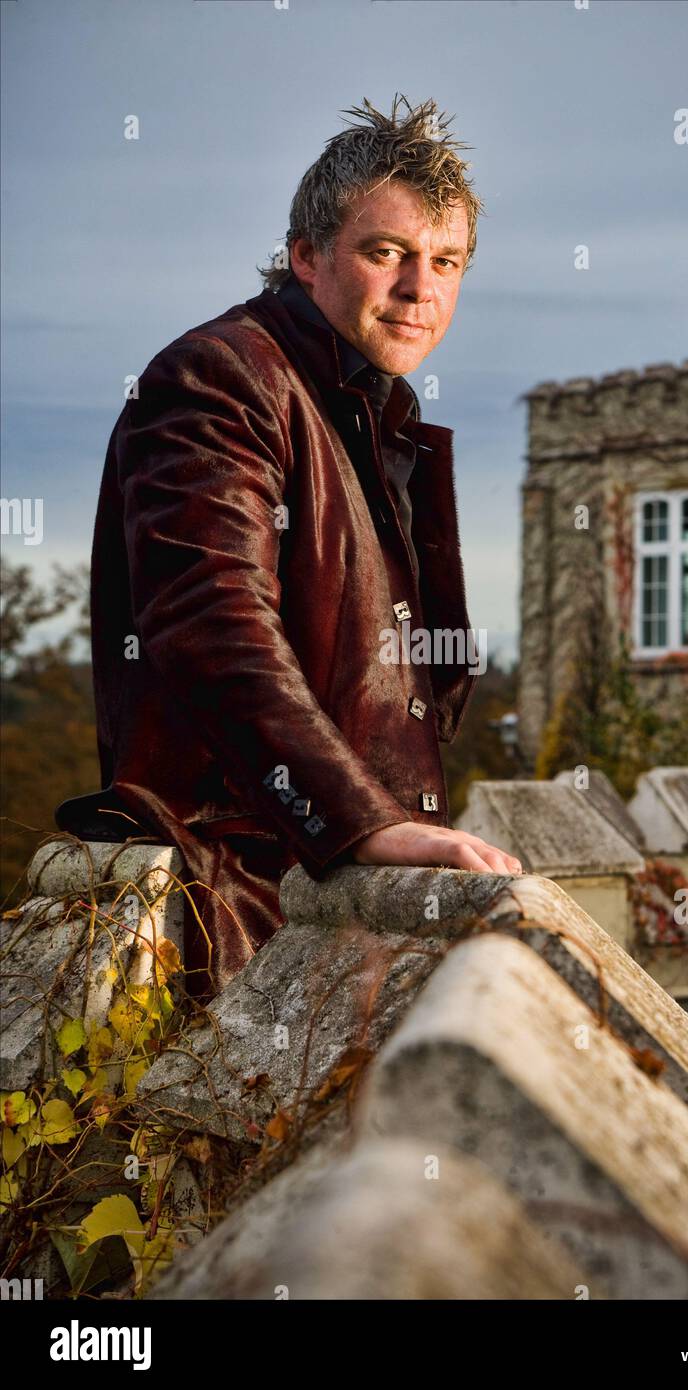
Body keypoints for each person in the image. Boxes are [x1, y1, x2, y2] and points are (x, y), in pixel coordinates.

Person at [55, 94, 521, 1001]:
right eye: (385, 252)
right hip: (241, 909)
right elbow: (211, 619)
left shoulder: (372, 410)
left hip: (350, 909)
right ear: (306, 256)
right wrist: (360, 825)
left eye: (445, 261)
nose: (419, 289)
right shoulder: (221, 377)